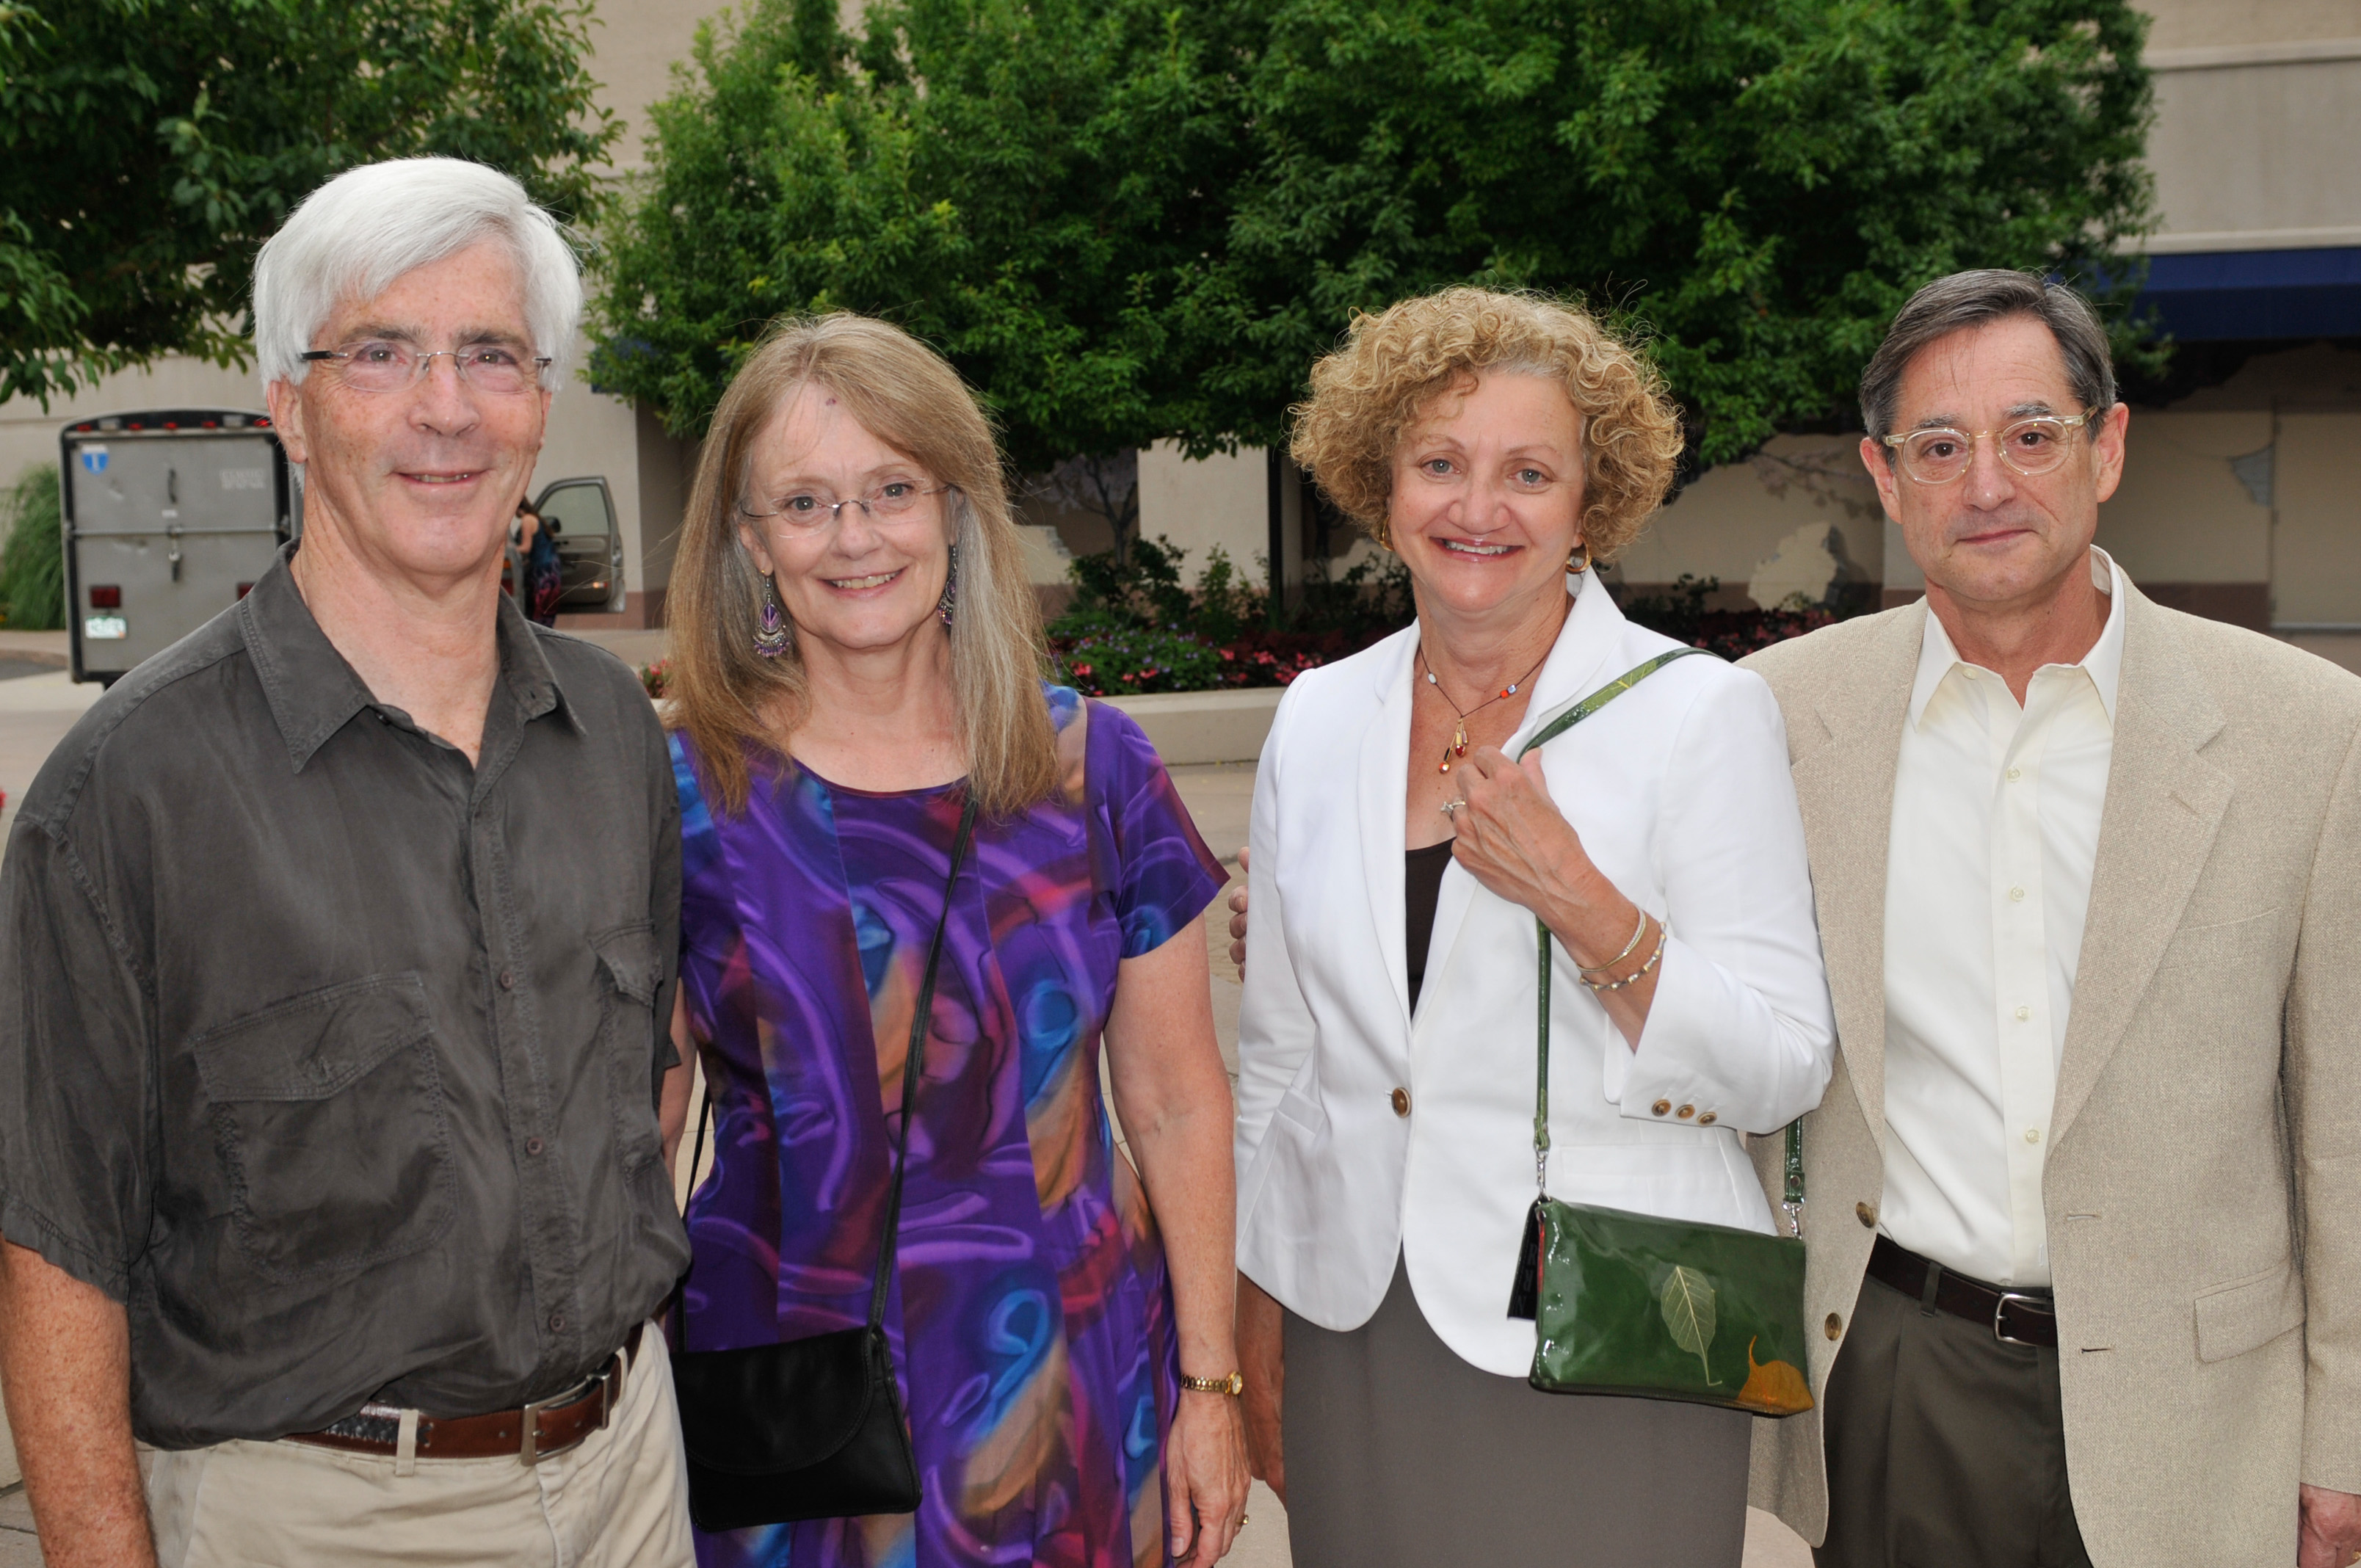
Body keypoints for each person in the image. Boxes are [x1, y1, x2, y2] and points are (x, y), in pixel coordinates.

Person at [0, 157, 695, 1567]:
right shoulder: (127, 793)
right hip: (311, 1515)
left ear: (539, 401)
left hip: (632, 1478)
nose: (446, 408)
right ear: (291, 407)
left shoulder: (612, 729)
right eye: (381, 351)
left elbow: (654, 1078)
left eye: (491, 354)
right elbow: (53, 1247)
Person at [1739, 270, 2361, 1568]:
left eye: (2032, 435)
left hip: (2204, 1408)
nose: (1987, 485)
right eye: (1939, 448)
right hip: (1896, 1376)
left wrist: (2345, 1440)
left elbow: (2346, 1128)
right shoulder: (1776, 718)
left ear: (2108, 446)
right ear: (1882, 473)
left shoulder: (2307, 731)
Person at [1230, 287, 1837, 1567]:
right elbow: (1280, 1060)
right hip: (1358, 1319)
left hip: (1610, 1320)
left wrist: (1582, 900)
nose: (1476, 509)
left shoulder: (1695, 715)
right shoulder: (1320, 718)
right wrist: (1254, 1320)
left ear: (1587, 501)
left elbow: (1783, 1061)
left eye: (1527, 472)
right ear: (1380, 482)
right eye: (1438, 464)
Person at [656, 313, 1250, 1567]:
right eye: (806, 502)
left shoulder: (1093, 768)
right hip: (790, 1403)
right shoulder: (680, 797)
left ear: (958, 512)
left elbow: (1178, 1100)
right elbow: (638, 1119)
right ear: (752, 542)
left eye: (890, 490)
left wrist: (1213, 1388)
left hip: (1074, 1380)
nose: (855, 536)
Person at [515, 499, 564, 625]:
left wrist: (509, 549)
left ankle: (540, 642)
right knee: (548, 609)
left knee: (539, 611)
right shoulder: (536, 518)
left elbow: (526, 547)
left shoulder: (526, 520)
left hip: (542, 571)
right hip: (552, 568)